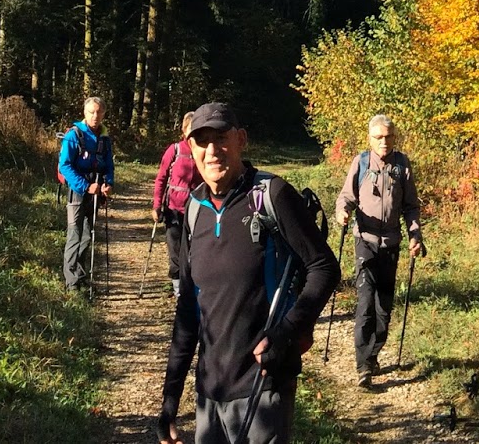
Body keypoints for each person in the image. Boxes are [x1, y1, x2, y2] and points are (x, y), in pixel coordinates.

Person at [157, 101, 339, 444]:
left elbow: (324, 267)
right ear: (190, 147)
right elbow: (187, 312)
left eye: (221, 138)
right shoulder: (194, 210)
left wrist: (286, 332)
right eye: (202, 141)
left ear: (241, 139)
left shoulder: (273, 195)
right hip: (210, 390)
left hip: (265, 383)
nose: (212, 151)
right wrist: (169, 401)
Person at [334, 113, 424, 388]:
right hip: (365, 241)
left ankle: (373, 354)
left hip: (392, 244)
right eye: (379, 137)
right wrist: (342, 212)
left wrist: (415, 234)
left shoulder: (401, 164)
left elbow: (410, 205)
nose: (384, 142)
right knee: (365, 304)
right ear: (370, 139)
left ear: (394, 138)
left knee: (384, 309)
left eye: (388, 137)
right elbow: (346, 196)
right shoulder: (361, 162)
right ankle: (363, 366)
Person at [59, 96, 114, 293]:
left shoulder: (104, 138)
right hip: (77, 191)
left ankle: (80, 277)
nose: (95, 116)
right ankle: (72, 283)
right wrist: (85, 186)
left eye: (99, 112)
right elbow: (64, 166)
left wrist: (108, 183)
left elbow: (109, 164)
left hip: (97, 191)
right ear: (84, 112)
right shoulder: (74, 135)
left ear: (104, 113)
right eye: (91, 112)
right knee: (74, 235)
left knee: (88, 235)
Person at [154, 111, 200, 295]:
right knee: (175, 247)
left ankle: (193, 282)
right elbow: (161, 178)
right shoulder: (175, 150)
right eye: (191, 128)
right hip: (174, 207)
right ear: (184, 130)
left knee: (194, 247)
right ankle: (177, 284)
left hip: (197, 208)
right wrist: (157, 205)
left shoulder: (202, 151)